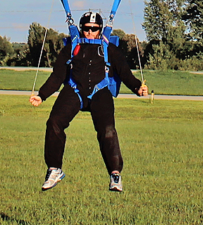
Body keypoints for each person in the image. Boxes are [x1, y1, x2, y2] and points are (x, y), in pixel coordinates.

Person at [30, 11, 148, 192]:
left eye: (94, 29)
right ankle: (54, 169)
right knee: (54, 122)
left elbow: (124, 72)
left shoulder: (109, 49)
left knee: (107, 130)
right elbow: (58, 75)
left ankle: (115, 174)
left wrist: (138, 87)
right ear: (81, 29)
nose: (90, 33)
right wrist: (42, 95)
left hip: (100, 91)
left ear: (100, 30)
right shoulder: (72, 47)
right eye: (86, 29)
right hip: (74, 89)